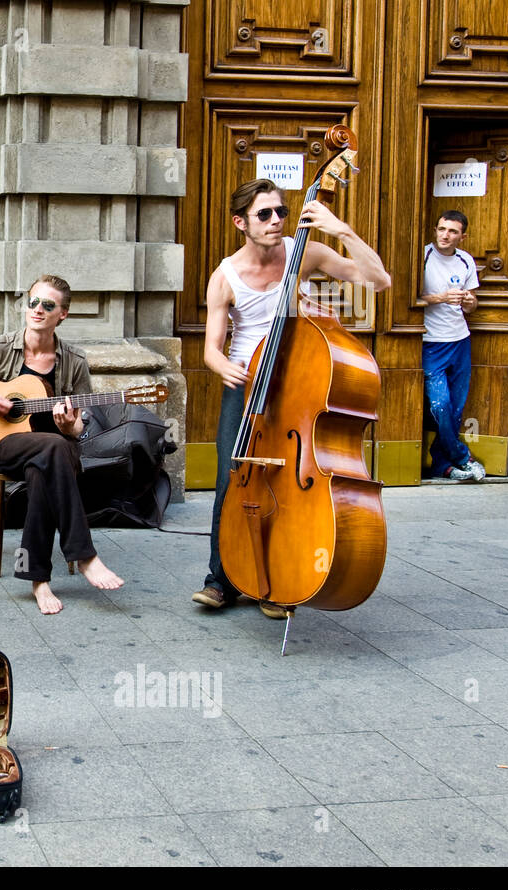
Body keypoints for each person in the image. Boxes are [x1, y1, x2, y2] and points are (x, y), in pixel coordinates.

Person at [192, 178, 391, 616]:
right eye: (264, 214)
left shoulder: (304, 253)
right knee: (233, 481)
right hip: (247, 389)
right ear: (240, 222)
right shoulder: (225, 277)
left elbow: (378, 281)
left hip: (298, 384)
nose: (276, 221)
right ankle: (220, 579)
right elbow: (211, 347)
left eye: (281, 211)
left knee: (289, 487)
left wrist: (342, 230)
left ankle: (275, 584)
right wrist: (221, 365)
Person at [0, 275, 122, 615]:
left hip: (54, 456)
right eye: (33, 302)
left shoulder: (75, 362)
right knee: (54, 450)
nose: (37, 310)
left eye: (48, 305)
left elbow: (77, 428)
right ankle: (84, 555)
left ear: (62, 314)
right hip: (2, 445)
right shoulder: (1, 347)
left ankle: (38, 579)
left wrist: (70, 426)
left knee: (49, 457)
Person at [421, 210, 484, 481]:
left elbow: (473, 303)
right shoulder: (422, 256)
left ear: (462, 236)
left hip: (460, 340)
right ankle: (461, 456)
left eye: (452, 231)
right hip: (431, 342)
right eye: (442, 229)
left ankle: (441, 466)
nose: (445, 235)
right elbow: (409, 299)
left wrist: (470, 304)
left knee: (456, 408)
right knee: (440, 405)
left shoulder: (465, 260)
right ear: (435, 230)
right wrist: (441, 297)